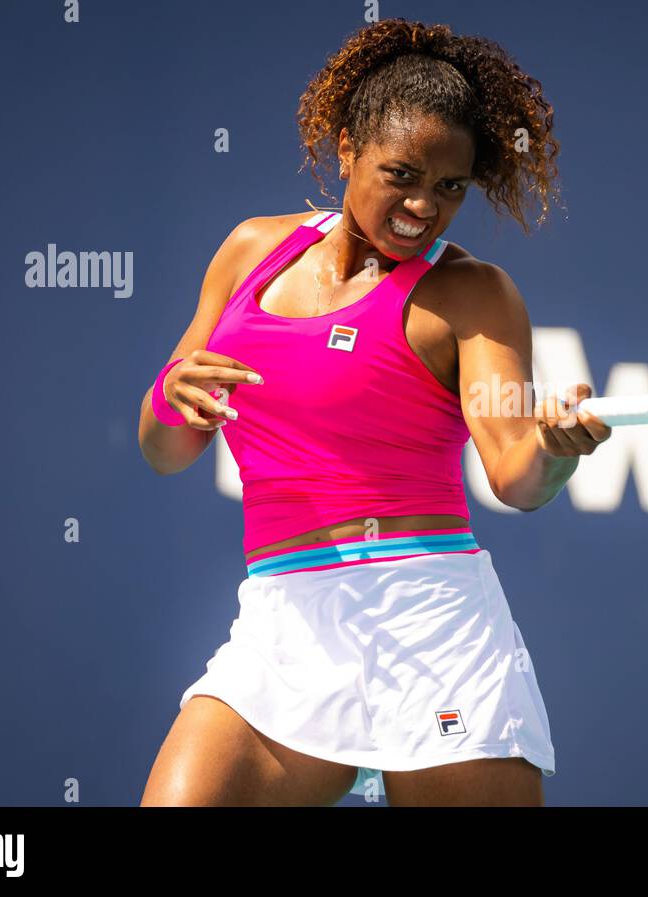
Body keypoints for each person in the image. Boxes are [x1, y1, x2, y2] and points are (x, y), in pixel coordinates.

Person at [136, 18, 609, 807]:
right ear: (347, 146)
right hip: (284, 622)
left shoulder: (472, 293)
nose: (424, 205)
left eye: (451, 186)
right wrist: (171, 395)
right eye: (402, 173)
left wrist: (556, 449)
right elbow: (164, 449)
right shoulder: (252, 249)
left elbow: (517, 478)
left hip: (434, 628)